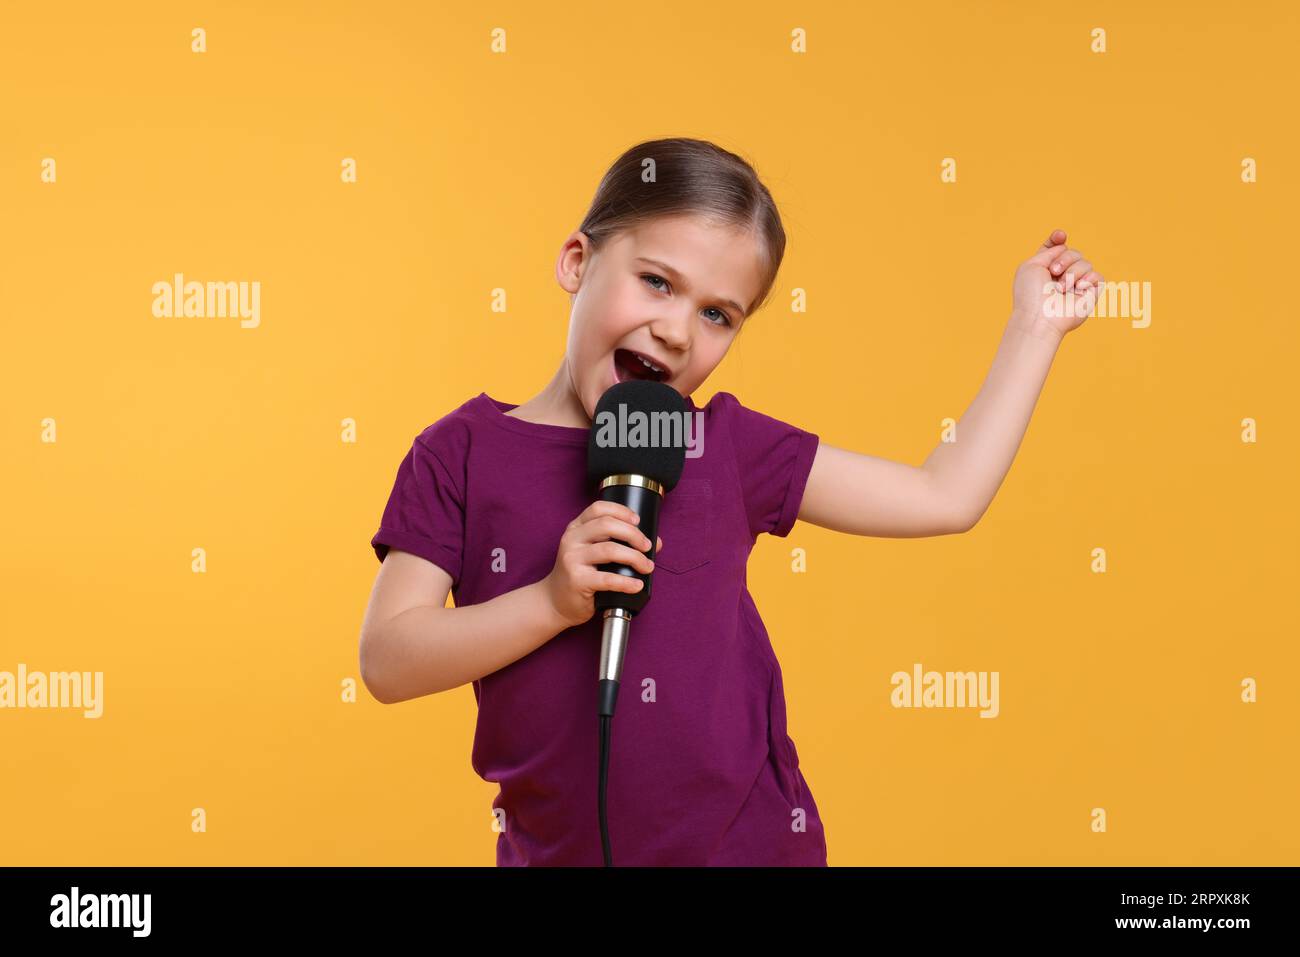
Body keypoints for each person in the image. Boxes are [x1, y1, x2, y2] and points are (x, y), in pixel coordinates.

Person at [358, 136, 1103, 866]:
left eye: (719, 314)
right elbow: (389, 660)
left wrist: (1034, 329)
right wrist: (552, 601)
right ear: (576, 262)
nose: (677, 331)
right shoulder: (460, 450)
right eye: (657, 281)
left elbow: (945, 494)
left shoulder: (727, 445)